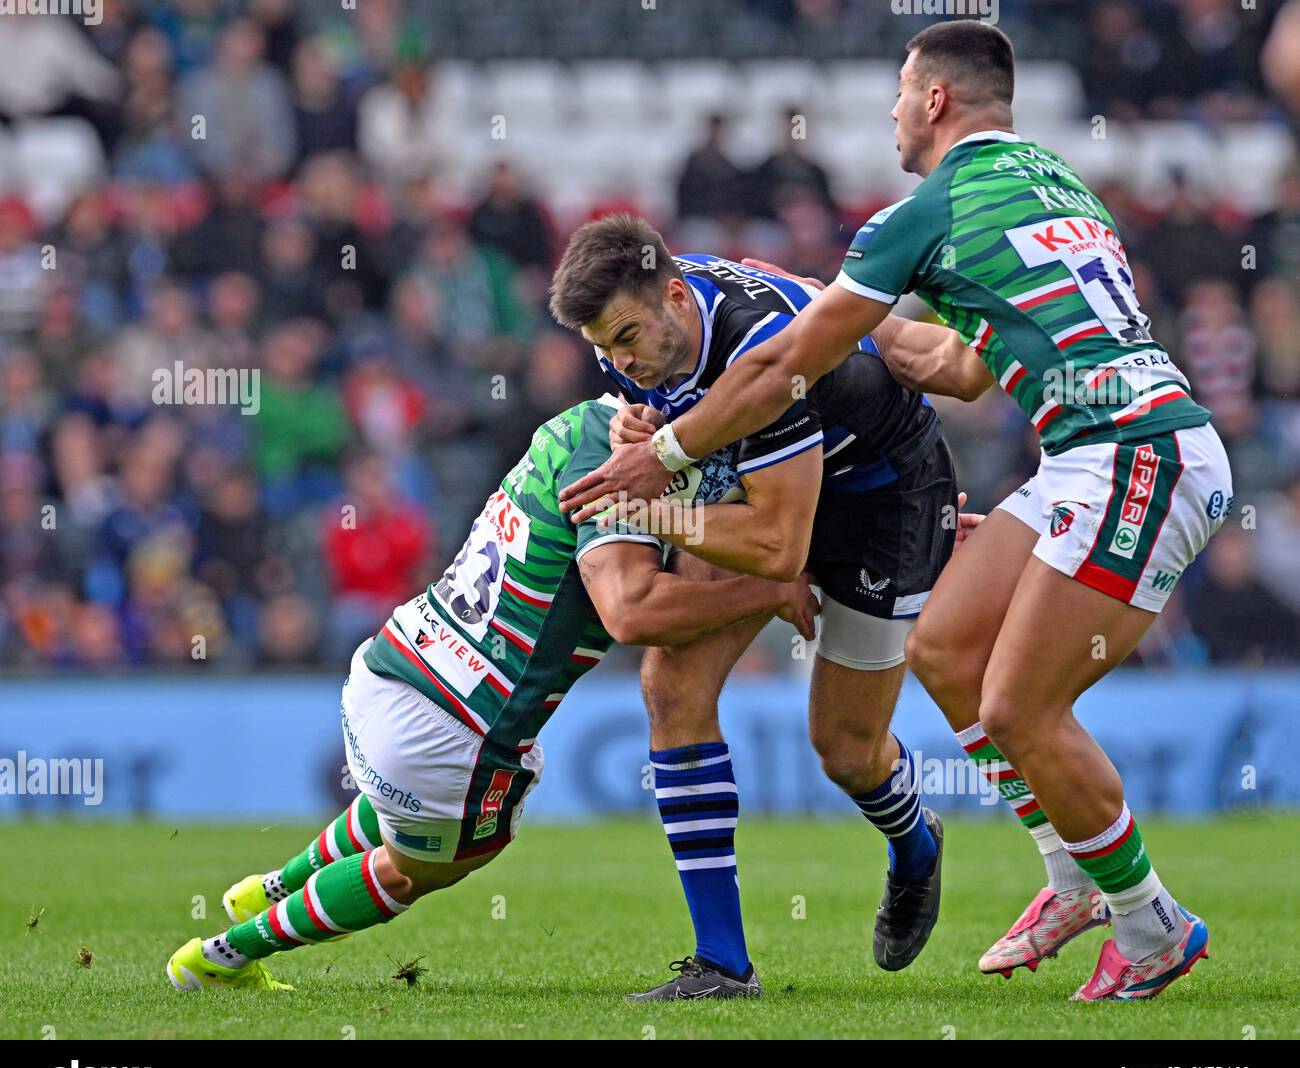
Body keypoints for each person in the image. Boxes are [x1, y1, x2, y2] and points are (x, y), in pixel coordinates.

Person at [560, 21, 1230, 1002]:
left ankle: (1151, 921)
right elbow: (963, 364)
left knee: (1016, 708)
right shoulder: (1052, 185)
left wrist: (661, 457)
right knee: (947, 649)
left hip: (1130, 452)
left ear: (936, 101)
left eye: (899, 94)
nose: (890, 114)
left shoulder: (920, 213)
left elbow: (787, 364)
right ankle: (1069, 871)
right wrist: (863, 340)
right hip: (1099, 450)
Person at [165, 395, 817, 991]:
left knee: (408, 811)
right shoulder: (616, 465)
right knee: (422, 864)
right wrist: (770, 590)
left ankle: (271, 887)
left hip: (395, 661)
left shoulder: (579, 421)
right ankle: (223, 956)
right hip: (458, 725)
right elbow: (633, 612)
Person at [548, 215, 990, 998]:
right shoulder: (652, 309)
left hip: (882, 505)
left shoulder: (756, 351)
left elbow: (779, 549)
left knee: (845, 750)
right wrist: (638, 422)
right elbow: (694, 448)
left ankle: (916, 845)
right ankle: (723, 964)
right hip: (768, 492)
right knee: (671, 685)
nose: (618, 362)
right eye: (601, 350)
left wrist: (648, 509)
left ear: (677, 298)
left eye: (624, 339)